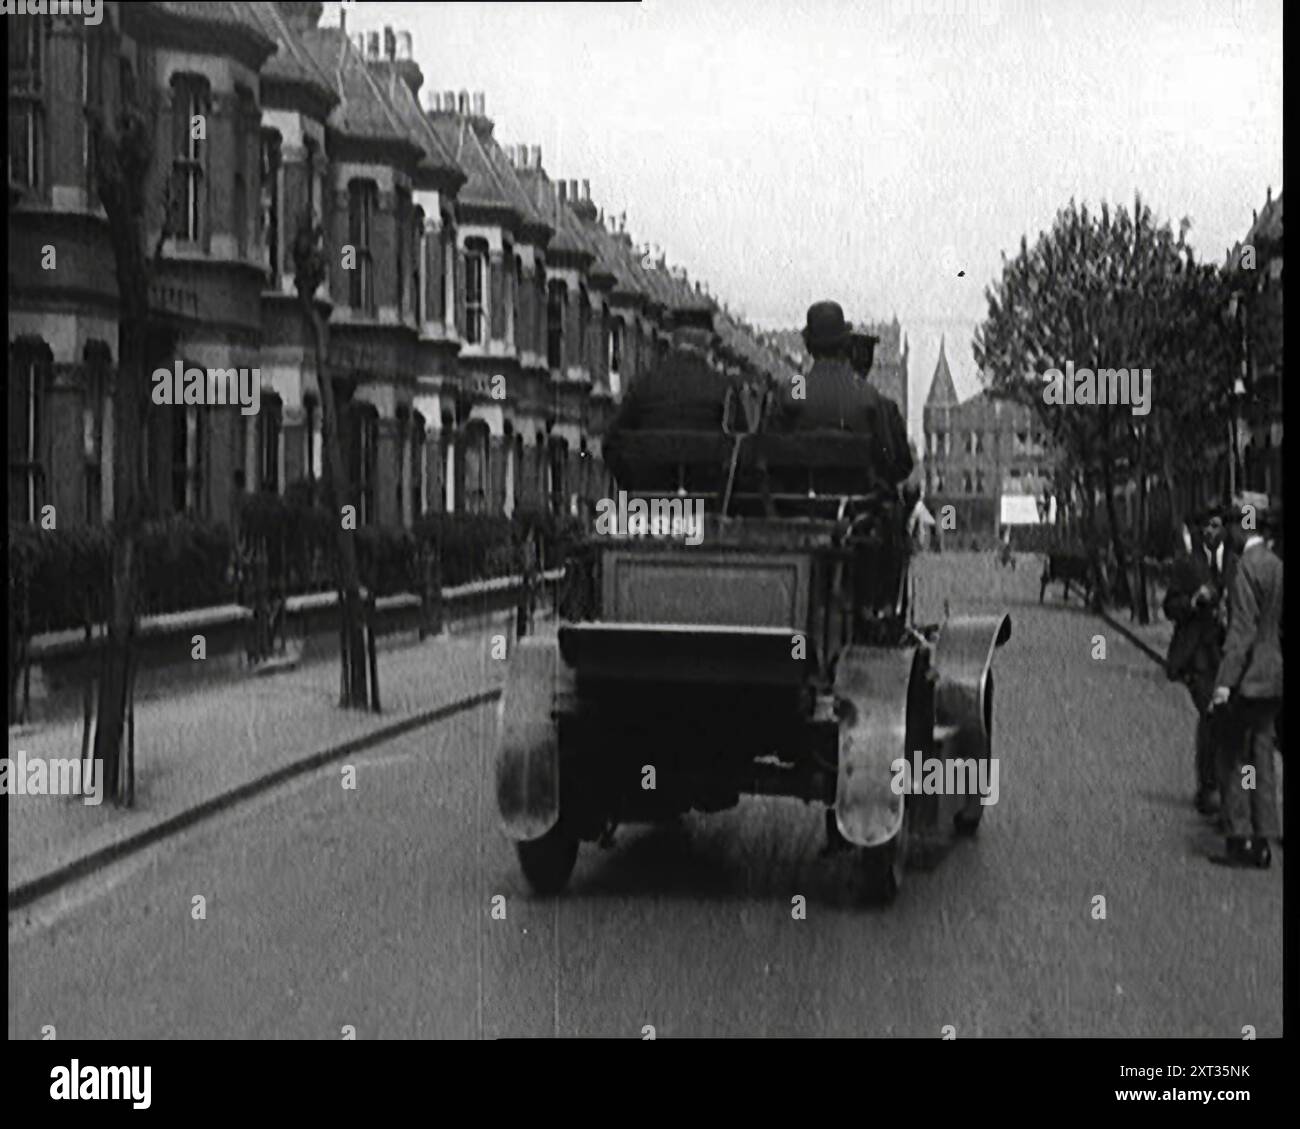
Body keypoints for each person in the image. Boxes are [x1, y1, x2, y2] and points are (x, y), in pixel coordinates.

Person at [1210, 505, 1283, 868]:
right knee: (1262, 758)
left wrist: (1224, 684)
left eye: (1230, 526)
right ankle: (1265, 836)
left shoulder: (1244, 569)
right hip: (1273, 676)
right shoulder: (1276, 565)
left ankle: (1240, 837)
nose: (1228, 533)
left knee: (1233, 758)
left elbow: (1241, 633)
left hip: (1248, 679)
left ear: (1242, 529)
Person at [774, 301, 913, 488]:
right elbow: (892, 463)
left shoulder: (795, 389)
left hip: (798, 505)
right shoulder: (867, 395)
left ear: (808, 345)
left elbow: (773, 453)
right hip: (857, 509)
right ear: (846, 344)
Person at [1163, 504, 1234, 815]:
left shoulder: (1234, 564)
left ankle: (1222, 785)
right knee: (1209, 714)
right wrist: (1193, 601)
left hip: (1227, 654)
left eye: (1217, 526)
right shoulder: (1187, 565)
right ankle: (1208, 788)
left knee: (1222, 719)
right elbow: (1169, 606)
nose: (1211, 532)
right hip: (1197, 656)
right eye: (1207, 526)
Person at [602, 323, 733, 489]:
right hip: (707, 500)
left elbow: (611, 442)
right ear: (706, 346)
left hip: (651, 500)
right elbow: (740, 448)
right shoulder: (723, 387)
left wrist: (632, 487)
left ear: (672, 343)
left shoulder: (644, 383)